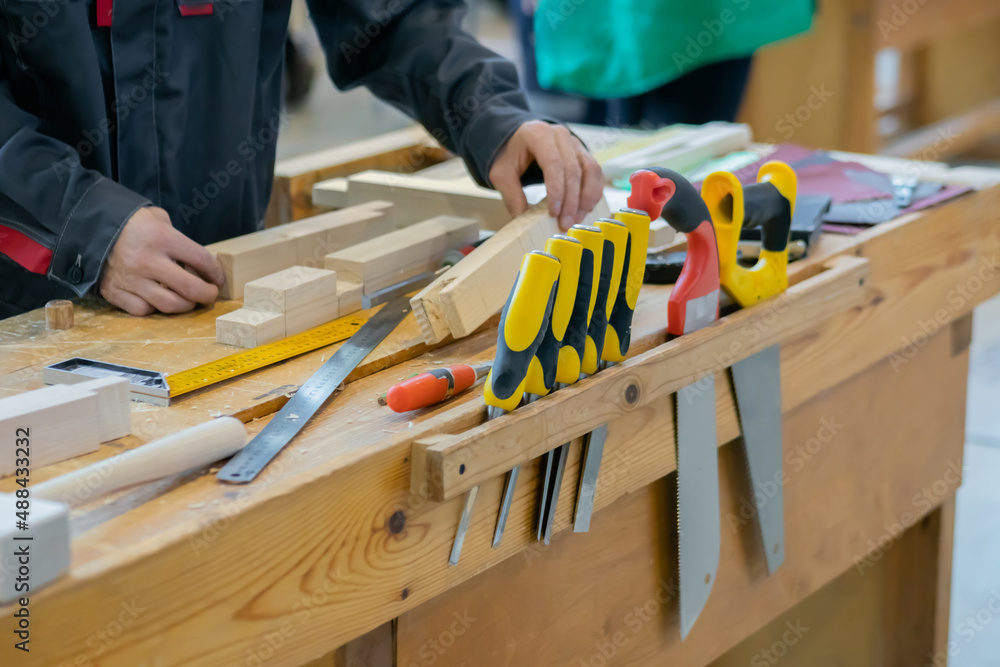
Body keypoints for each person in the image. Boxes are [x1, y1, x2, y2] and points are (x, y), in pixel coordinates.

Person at [0, 0, 603, 318]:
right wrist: (88, 226)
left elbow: (392, 19)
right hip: (24, 314)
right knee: (32, 549)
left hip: (212, 301)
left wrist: (491, 115)